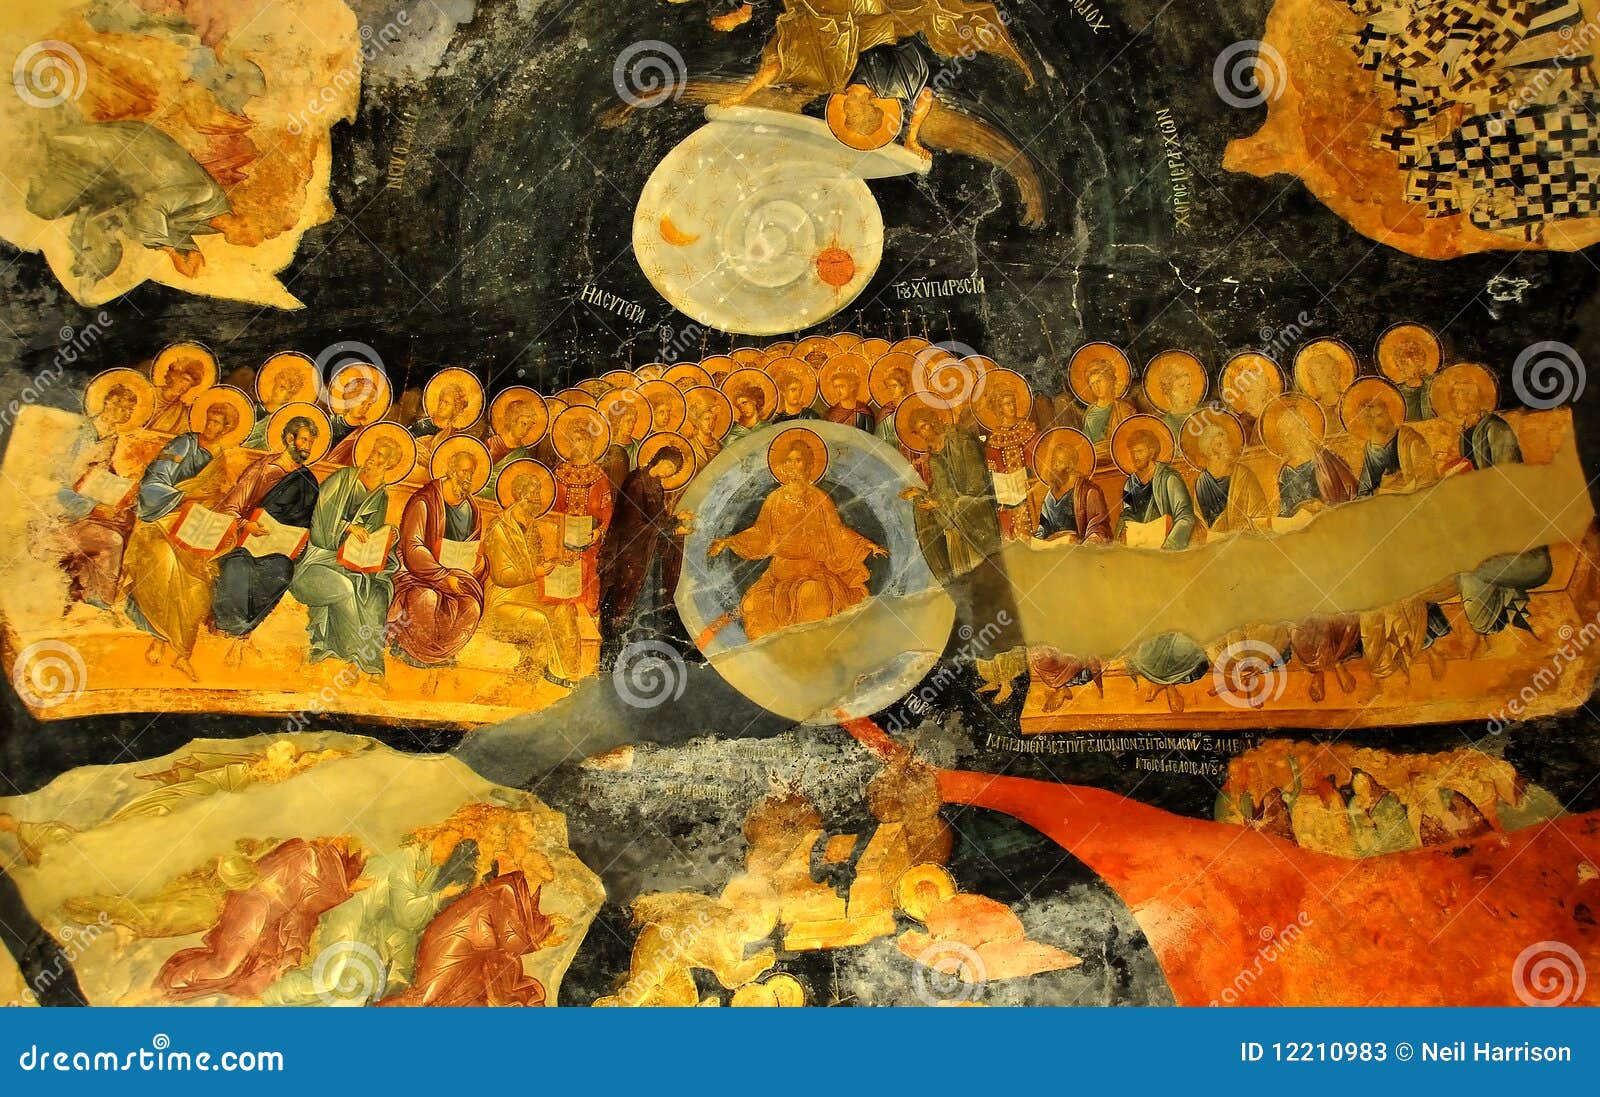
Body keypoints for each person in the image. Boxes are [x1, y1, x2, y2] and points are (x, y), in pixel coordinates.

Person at [708, 433, 885, 640]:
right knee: (753, 605)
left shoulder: (819, 498)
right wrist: (729, 541)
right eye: (789, 460)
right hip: (779, 573)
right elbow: (761, 532)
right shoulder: (774, 499)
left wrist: (866, 545)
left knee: (811, 594)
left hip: (812, 571)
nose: (793, 465)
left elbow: (836, 531)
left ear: (808, 465)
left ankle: (810, 652)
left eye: (798, 460)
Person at [122, 397, 243, 679]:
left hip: (193, 526)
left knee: (200, 583)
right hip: (160, 520)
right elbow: (152, 483)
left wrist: (218, 518)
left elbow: (214, 498)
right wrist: (183, 496)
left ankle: (182, 653)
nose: (211, 427)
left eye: (218, 423)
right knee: (165, 567)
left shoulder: (220, 458)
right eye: (210, 419)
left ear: (227, 429)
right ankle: (158, 639)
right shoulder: (183, 444)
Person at [1438, 364, 1552, 639]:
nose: (1459, 401)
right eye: (1455, 397)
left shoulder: (1495, 429)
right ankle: (1495, 616)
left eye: (1465, 395)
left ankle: (1495, 619)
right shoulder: (1467, 431)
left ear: (1479, 397)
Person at [289, 426, 411, 681]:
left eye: (379, 456)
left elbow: (371, 536)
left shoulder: (380, 495)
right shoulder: (342, 479)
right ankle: (366, 661)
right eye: (372, 452)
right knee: (345, 587)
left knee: (376, 592)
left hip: (349, 561)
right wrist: (347, 527)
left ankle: (352, 656)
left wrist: (387, 538)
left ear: (388, 465)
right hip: (316, 559)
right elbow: (319, 517)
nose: (371, 459)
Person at [1268, 398, 1361, 701]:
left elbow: (1351, 503)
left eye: (1292, 429)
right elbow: (1284, 510)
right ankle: (1319, 670)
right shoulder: (1284, 471)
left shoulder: (1328, 461)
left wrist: (1322, 508)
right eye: (1283, 433)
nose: (1288, 437)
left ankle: (1335, 666)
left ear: (1306, 428)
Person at [211, 413, 323, 665]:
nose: (306, 447)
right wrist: (245, 524)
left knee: (281, 570)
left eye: (310, 443)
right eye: (303, 440)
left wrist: (301, 541)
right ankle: (234, 632)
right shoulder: (262, 469)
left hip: (278, 549)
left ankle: (240, 635)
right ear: (288, 438)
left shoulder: (309, 481)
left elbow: (307, 523)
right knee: (239, 566)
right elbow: (230, 508)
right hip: (243, 542)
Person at [1115, 420, 1206, 711]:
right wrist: (1126, 532)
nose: (1135, 456)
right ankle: (1153, 677)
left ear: (1153, 451)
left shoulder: (1168, 478)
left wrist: (1166, 549)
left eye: (1140, 451)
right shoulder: (1131, 481)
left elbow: (1185, 517)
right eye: (1132, 452)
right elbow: (1126, 514)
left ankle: (1171, 683)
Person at [1024, 429, 1109, 711]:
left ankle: (1074, 681)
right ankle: (1059, 684)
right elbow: (1043, 527)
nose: (1056, 468)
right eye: (1054, 462)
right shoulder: (1051, 494)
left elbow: (1100, 529)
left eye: (1062, 462)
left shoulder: (1090, 491)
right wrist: (1035, 543)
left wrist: (1079, 548)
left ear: (1072, 463)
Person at [388, 441, 489, 669]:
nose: (467, 477)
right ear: (451, 470)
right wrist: (442, 576)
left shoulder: (472, 509)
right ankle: (412, 651)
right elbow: (413, 546)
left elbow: (471, 549)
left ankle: (439, 654)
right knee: (427, 599)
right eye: (464, 471)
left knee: (471, 607)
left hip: (456, 576)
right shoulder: (424, 501)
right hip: (418, 574)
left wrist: (479, 563)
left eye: (471, 473)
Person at [482, 461, 584, 685]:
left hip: (529, 599)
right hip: (502, 605)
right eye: (533, 496)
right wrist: (535, 572)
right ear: (519, 497)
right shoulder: (499, 528)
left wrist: (558, 563)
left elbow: (538, 562)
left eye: (538, 494)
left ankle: (571, 673)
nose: (538, 500)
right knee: (540, 620)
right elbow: (502, 575)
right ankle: (553, 671)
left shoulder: (532, 527)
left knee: (566, 610)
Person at [55, 378, 146, 610]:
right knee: (112, 542)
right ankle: (98, 602)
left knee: (131, 521)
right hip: (62, 517)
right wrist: (94, 508)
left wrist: (125, 490)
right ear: (107, 403)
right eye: (121, 407)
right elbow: (57, 488)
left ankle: (91, 591)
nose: (126, 414)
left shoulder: (110, 437)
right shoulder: (79, 435)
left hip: (92, 511)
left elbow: (101, 474)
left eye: (130, 410)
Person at [898, 404, 1000, 582]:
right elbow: (941, 489)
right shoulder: (934, 454)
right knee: (920, 508)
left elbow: (976, 484)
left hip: (975, 503)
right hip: (952, 505)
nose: (923, 434)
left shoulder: (960, 439)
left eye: (924, 426)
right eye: (918, 431)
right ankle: (944, 576)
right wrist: (921, 493)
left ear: (934, 422)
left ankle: (980, 566)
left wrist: (939, 502)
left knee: (959, 505)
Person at [599, 443, 689, 643]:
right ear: (660, 459)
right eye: (669, 467)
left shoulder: (655, 483)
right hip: (632, 552)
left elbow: (656, 518)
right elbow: (633, 525)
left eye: (672, 471)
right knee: (635, 598)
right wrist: (672, 530)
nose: (668, 472)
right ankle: (631, 641)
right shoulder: (636, 482)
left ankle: (647, 641)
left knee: (651, 597)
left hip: (649, 552)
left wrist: (675, 519)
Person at [147, 354, 207, 433]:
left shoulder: (183, 413)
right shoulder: (148, 395)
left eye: (190, 385)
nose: (185, 387)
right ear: (173, 376)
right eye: (184, 379)